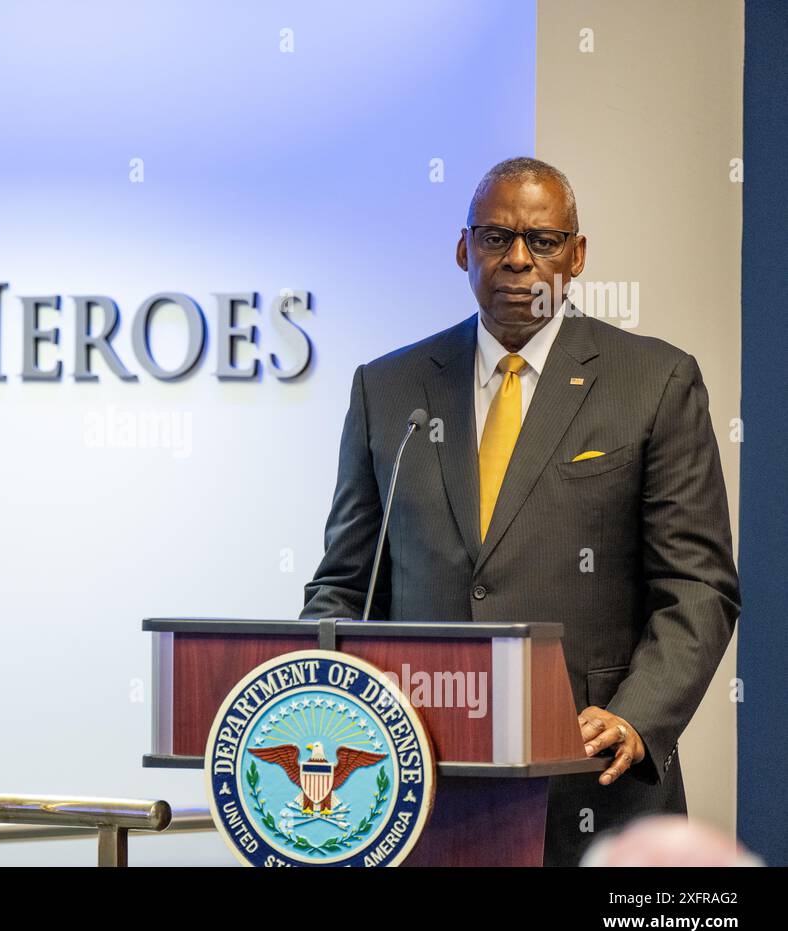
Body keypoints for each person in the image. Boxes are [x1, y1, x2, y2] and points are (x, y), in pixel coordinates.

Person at [300, 157, 740, 866]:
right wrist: (315, 688)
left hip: (591, 783)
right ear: (461, 249)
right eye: (495, 236)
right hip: (418, 787)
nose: (517, 260)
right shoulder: (387, 389)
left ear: (578, 255)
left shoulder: (654, 381)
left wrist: (636, 713)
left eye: (542, 241)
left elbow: (698, 585)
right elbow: (347, 581)